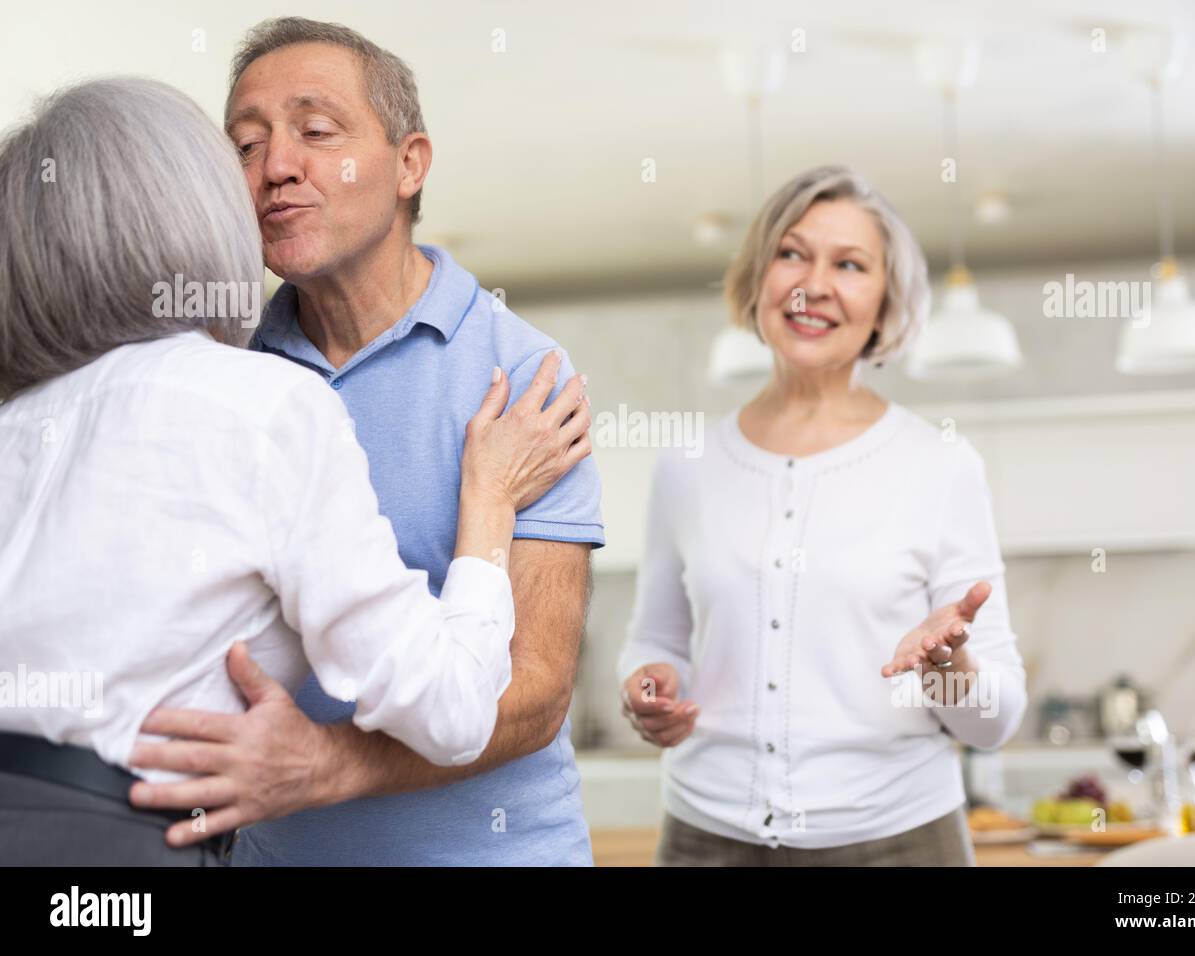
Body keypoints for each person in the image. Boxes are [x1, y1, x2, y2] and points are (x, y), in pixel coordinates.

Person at [0, 76, 590, 866]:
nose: (275, 165)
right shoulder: (259, 394)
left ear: (410, 163)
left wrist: (326, 765)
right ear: (208, 203)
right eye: (243, 147)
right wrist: (486, 509)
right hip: (138, 847)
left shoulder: (522, 371)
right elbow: (452, 708)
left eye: (316, 131)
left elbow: (538, 690)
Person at [618, 165, 1028, 866]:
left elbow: (994, 723)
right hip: (704, 840)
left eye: (850, 264)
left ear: (887, 300)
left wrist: (949, 664)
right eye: (791, 254)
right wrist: (649, 687)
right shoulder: (686, 466)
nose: (814, 284)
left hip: (900, 842)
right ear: (758, 278)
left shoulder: (939, 466)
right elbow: (655, 639)